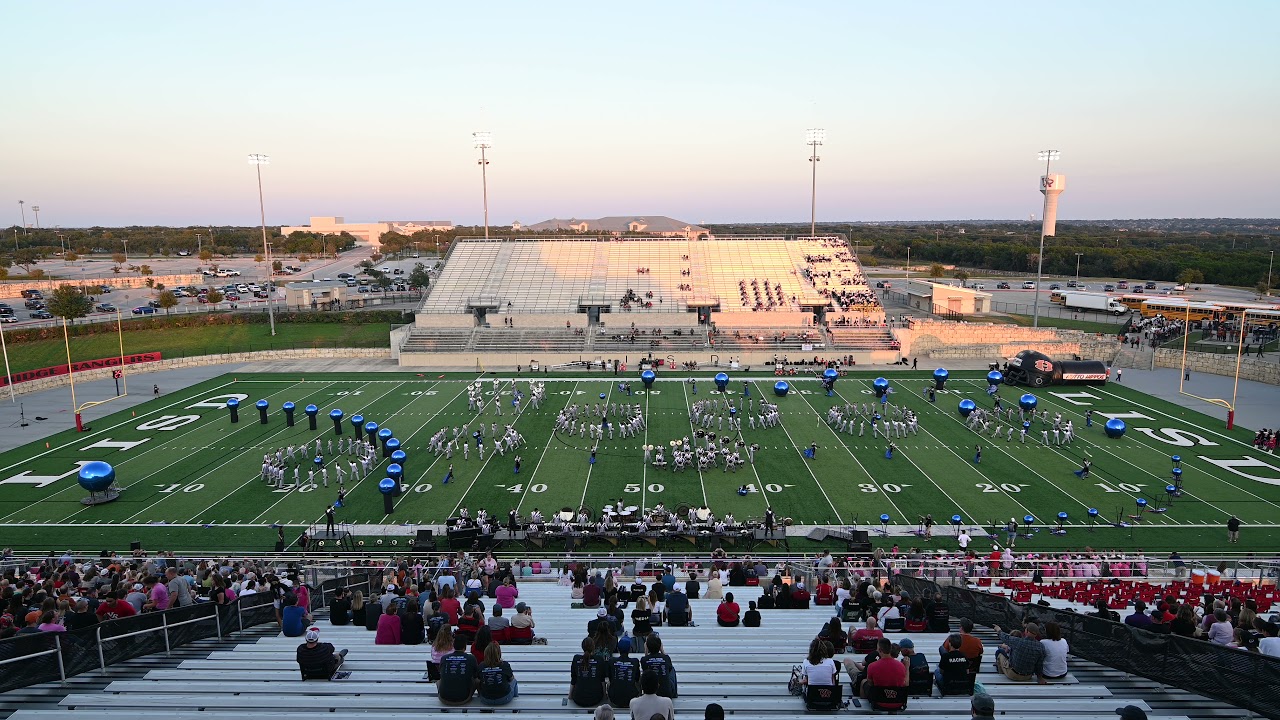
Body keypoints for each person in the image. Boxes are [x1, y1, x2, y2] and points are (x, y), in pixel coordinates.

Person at [862, 638, 907, 706]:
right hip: (897, 701)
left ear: (880, 650)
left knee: (863, 682)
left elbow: (870, 684)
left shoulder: (872, 666)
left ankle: (862, 704)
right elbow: (905, 684)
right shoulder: (901, 666)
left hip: (878, 702)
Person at [439, 635, 480, 703]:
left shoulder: (444, 658)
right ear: (465, 646)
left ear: (454, 645)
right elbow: (476, 676)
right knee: (476, 680)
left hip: (444, 697)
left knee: (439, 681)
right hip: (464, 698)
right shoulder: (471, 658)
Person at [569, 638, 609, 707]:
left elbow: (573, 679)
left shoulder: (576, 658)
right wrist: (604, 695)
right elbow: (602, 680)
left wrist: (570, 695)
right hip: (596, 698)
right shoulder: (599, 659)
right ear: (593, 647)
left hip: (578, 698)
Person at [801, 637, 839, 703]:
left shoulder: (806, 662)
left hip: (812, 696)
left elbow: (806, 680)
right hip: (828, 695)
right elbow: (833, 680)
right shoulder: (830, 661)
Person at [609, 636, 643, 709]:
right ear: (630, 649)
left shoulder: (612, 661)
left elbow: (610, 678)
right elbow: (637, 679)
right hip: (631, 697)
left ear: (618, 649)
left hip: (614, 698)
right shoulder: (635, 661)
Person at [641, 634, 678, 698]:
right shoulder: (666, 658)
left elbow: (645, 670)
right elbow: (669, 668)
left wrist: (646, 651)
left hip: (650, 691)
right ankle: (674, 694)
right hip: (666, 693)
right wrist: (662, 651)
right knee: (672, 669)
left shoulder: (644, 659)